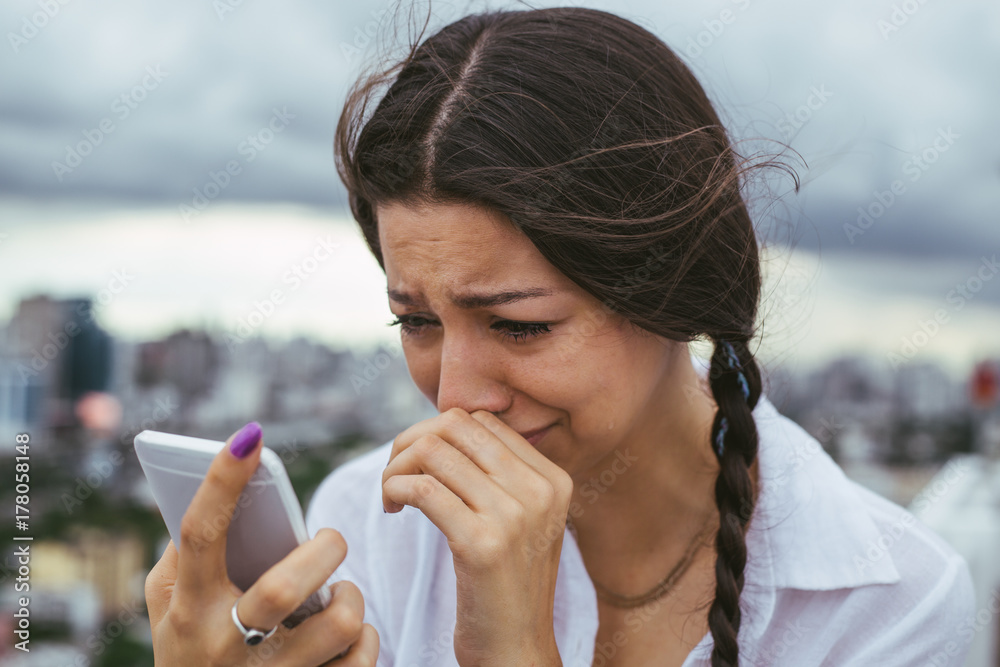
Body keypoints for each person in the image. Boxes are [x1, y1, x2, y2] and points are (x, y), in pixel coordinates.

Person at [145, 5, 976, 666]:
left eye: (519, 324)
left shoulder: (879, 599)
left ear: (678, 292)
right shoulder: (371, 521)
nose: (457, 393)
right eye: (418, 321)